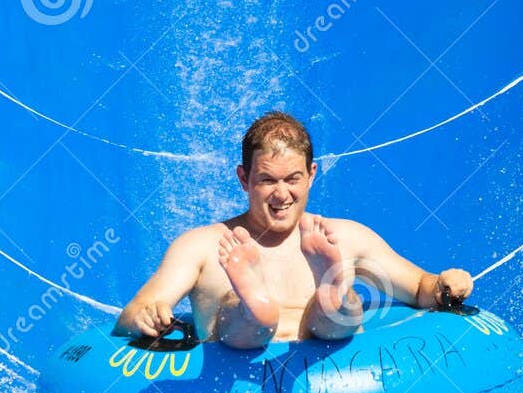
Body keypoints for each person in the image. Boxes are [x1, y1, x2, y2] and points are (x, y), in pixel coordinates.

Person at [115, 111, 476, 349]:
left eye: (293, 179)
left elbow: (418, 288)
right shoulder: (207, 246)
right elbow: (134, 313)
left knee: (337, 307)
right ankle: (254, 306)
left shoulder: (341, 236)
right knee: (237, 312)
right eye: (267, 180)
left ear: (312, 175)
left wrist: (445, 283)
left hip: (331, 368)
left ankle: (331, 291)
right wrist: (147, 315)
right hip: (239, 355)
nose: (281, 194)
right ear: (244, 179)